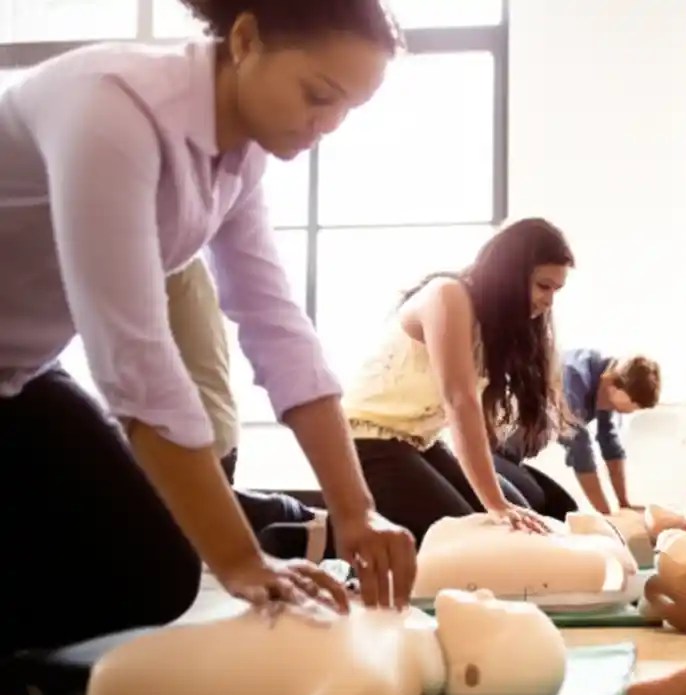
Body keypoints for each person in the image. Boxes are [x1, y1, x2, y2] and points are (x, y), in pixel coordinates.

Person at [0, 0, 418, 657]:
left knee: (155, 575)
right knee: (176, 562)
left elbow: (276, 327)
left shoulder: (238, 157)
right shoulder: (111, 107)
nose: (328, 126)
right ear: (246, 40)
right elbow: (133, 355)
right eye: (318, 95)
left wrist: (355, 510)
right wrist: (243, 561)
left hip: (18, 373)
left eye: (348, 110)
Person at [342, 218, 575, 545]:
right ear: (511, 274)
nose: (549, 301)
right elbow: (459, 400)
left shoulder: (494, 322)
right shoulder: (447, 294)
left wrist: (501, 505)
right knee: (478, 538)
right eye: (543, 286)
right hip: (364, 440)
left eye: (556, 290)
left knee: (523, 525)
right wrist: (495, 504)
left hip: (418, 442)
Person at [167, 255, 317, 537]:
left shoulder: (162, 261)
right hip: (214, 426)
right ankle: (289, 515)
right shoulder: (186, 259)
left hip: (189, 433)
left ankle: (289, 515)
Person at [497, 349, 663, 516]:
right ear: (614, 386)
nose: (630, 412)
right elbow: (580, 447)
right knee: (538, 505)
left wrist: (624, 504)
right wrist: (608, 518)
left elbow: (610, 444)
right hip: (494, 453)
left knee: (561, 506)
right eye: (632, 406)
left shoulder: (605, 384)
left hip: (513, 457)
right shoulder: (574, 377)